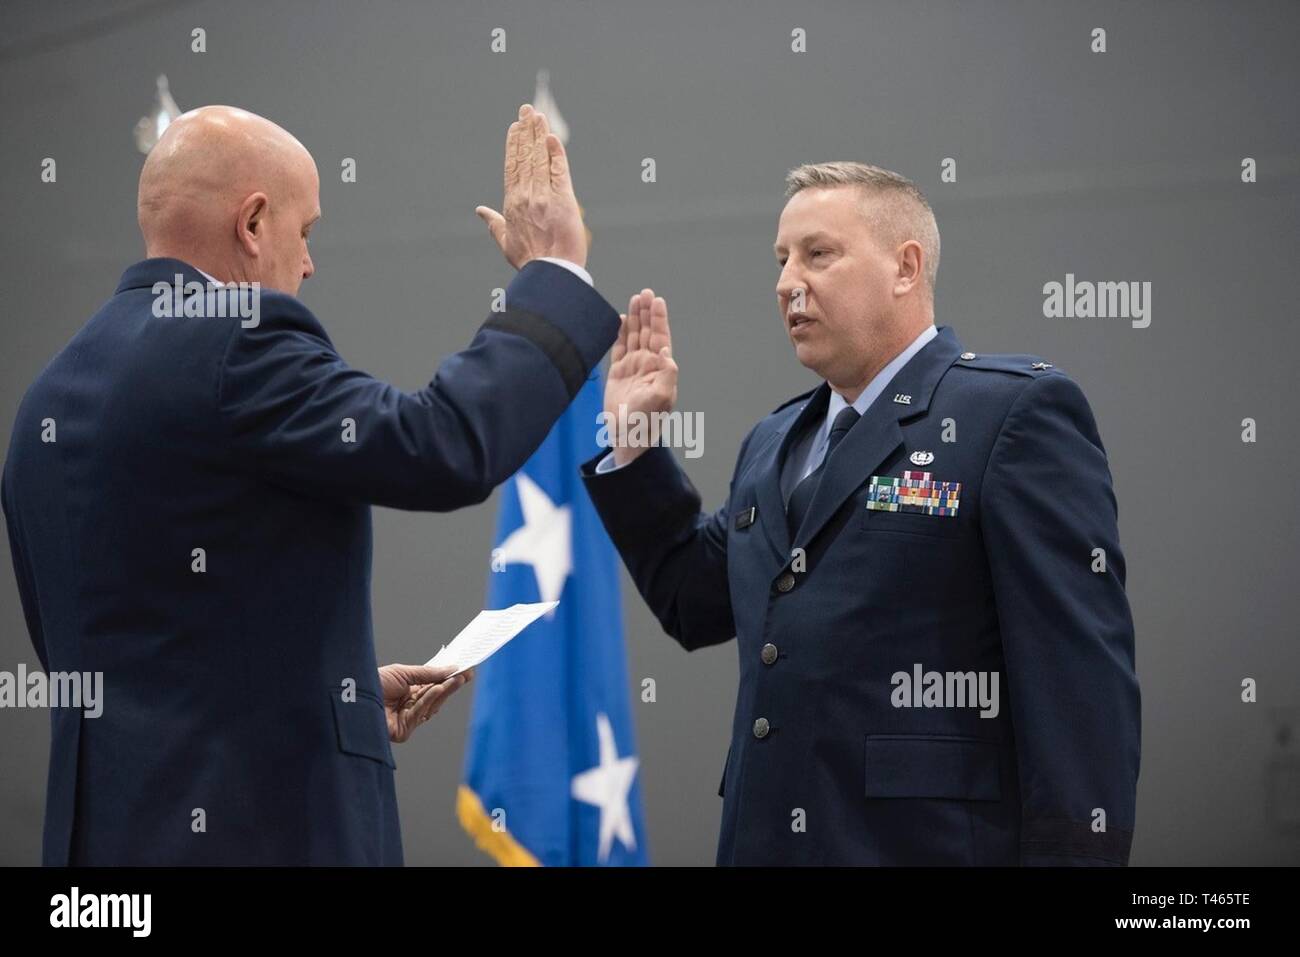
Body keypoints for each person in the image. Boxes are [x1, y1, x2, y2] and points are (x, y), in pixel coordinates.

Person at [2, 103, 620, 864]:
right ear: (254, 223)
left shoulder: (45, 403)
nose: (309, 264)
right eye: (307, 232)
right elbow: (442, 444)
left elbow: (147, 648)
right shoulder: (236, 340)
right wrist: (553, 273)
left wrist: (339, 692)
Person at [581, 162, 1141, 865]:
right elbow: (695, 601)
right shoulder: (773, 442)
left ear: (906, 267)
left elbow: (1079, 702)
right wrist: (633, 445)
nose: (788, 281)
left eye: (819, 254)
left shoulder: (1009, 416)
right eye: (782, 260)